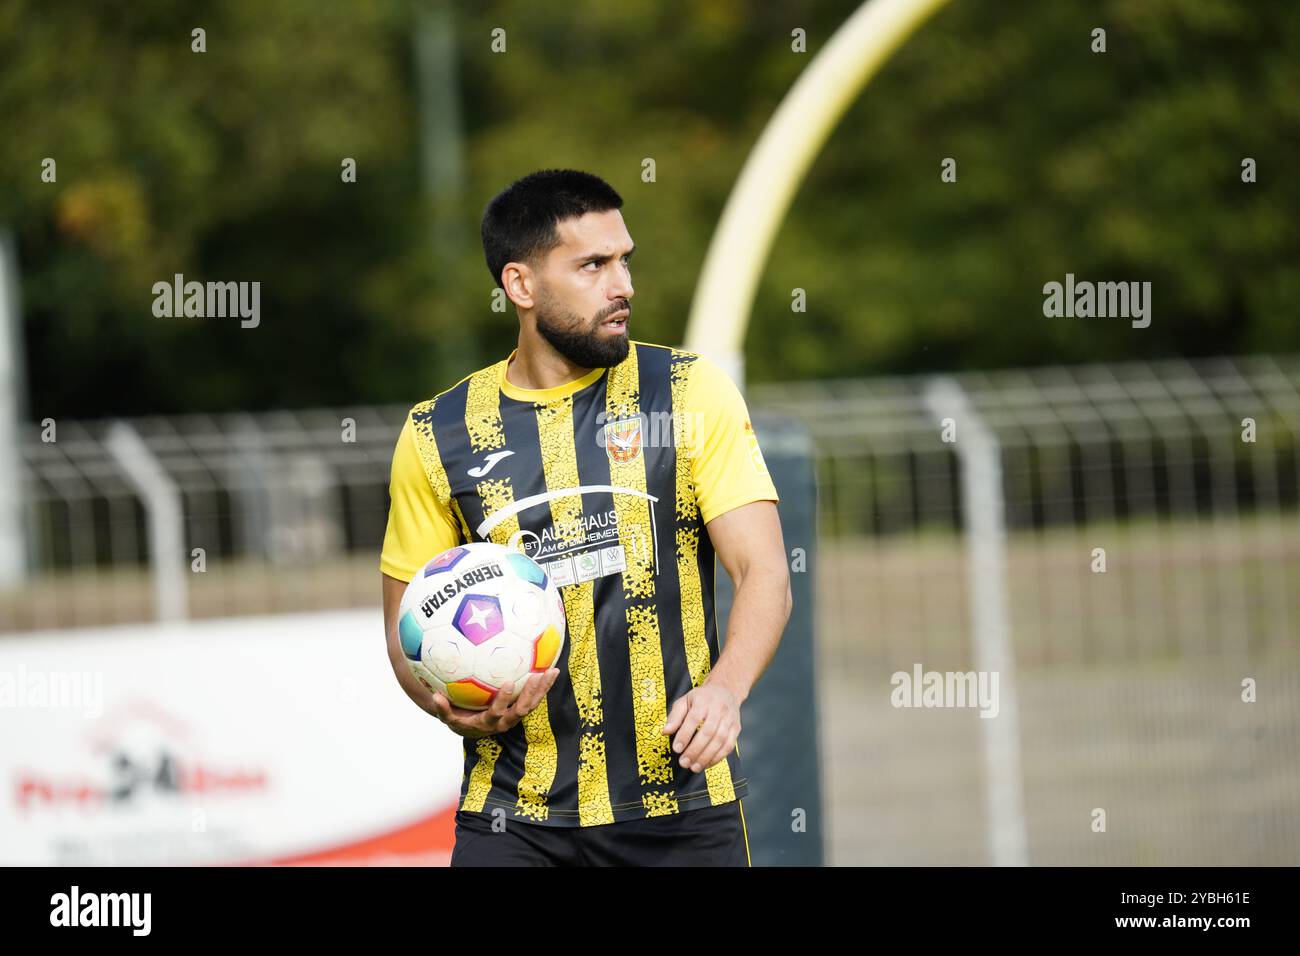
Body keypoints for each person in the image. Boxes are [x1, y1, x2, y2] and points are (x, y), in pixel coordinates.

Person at [380, 168, 792, 866]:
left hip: (681, 809)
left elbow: (765, 573)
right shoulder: (436, 435)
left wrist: (726, 689)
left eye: (624, 260)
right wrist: (451, 709)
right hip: (514, 819)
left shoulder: (686, 392)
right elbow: (404, 635)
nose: (622, 284)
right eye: (593, 265)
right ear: (520, 285)